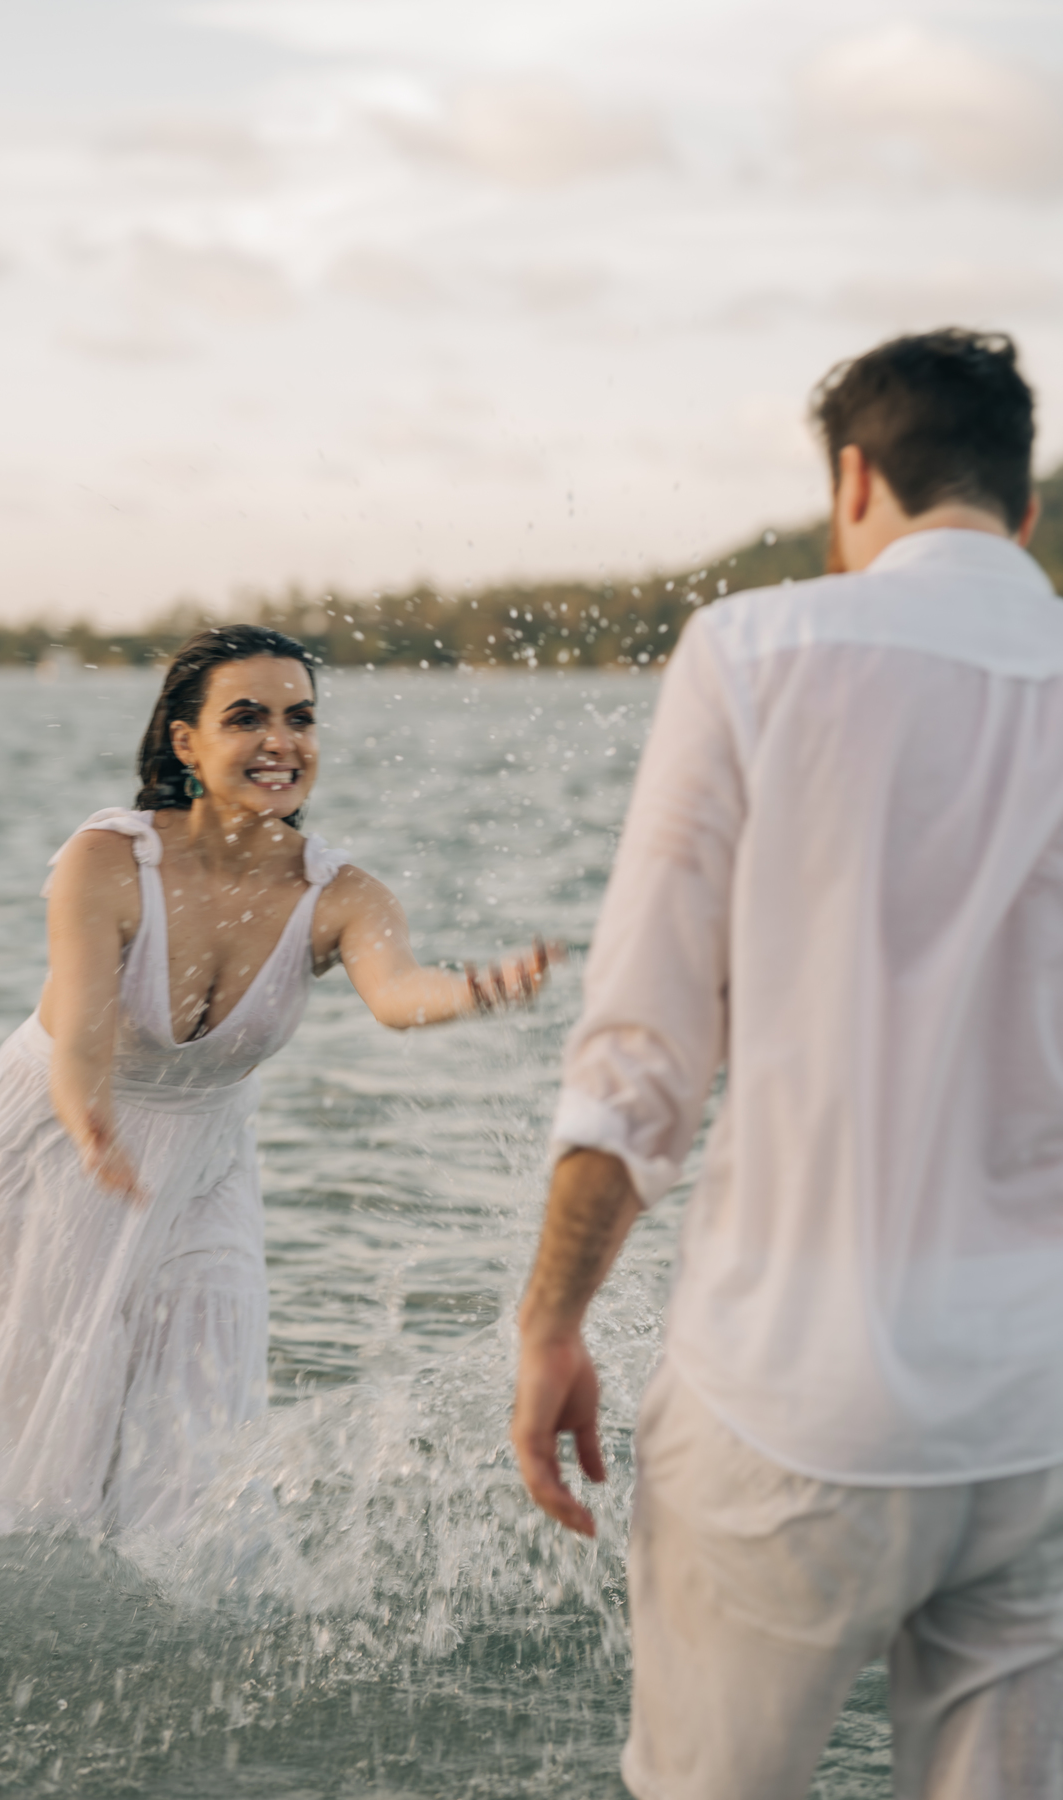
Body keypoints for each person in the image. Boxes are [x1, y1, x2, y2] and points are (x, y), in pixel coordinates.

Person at [511, 329, 1063, 1797]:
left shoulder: (759, 651)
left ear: (855, 479)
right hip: (1039, 1416)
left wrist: (553, 1323)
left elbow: (642, 1054)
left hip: (791, 1401)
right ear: (1021, 506)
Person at [0, 624, 549, 1542]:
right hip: (59, 1133)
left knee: (205, 1375)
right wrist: (88, 1122)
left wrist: (473, 991)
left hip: (209, 1153)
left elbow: (395, 993)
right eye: (248, 718)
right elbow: (81, 1036)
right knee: (39, 1408)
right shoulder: (107, 860)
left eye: (300, 718)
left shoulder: (341, 893)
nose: (282, 742)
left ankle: (176, 1584)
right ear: (186, 741)